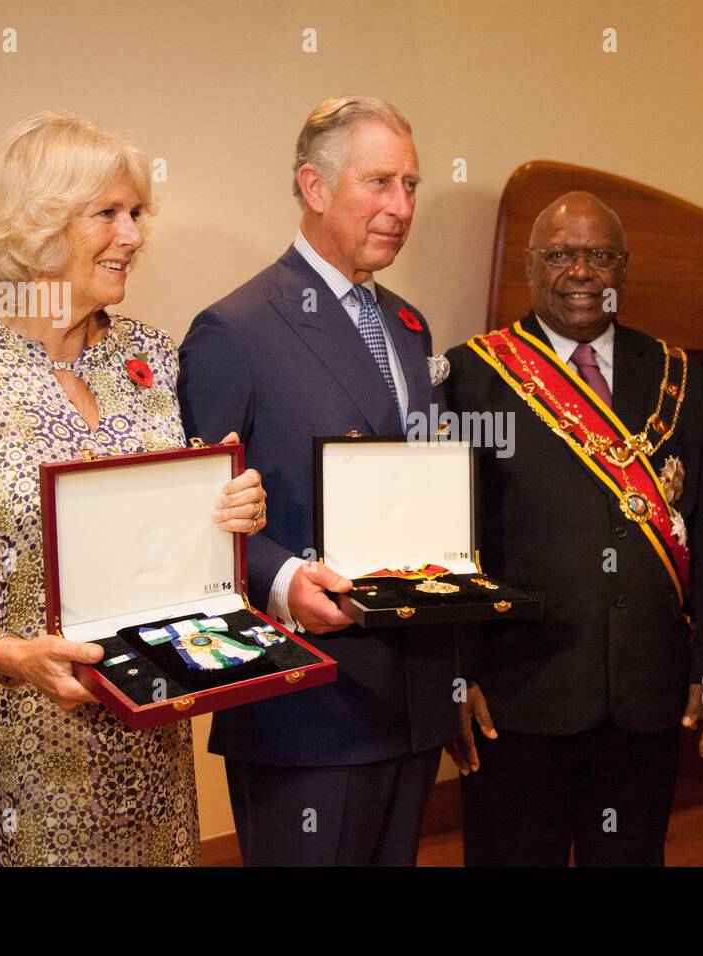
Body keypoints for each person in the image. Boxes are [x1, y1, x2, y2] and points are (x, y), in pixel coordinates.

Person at [0, 111, 269, 866]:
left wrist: (228, 515)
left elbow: (161, 535)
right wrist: (10, 655)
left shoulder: (149, 356)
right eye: (108, 214)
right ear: (34, 228)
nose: (135, 236)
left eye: (138, 213)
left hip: (141, 752)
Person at [178, 96, 455, 866]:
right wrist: (284, 580)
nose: (401, 207)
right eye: (380, 183)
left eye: (411, 185)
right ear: (315, 185)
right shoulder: (235, 330)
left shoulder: (408, 324)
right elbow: (199, 512)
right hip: (306, 702)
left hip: (410, 697)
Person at [442, 191, 703, 866]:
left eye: (599, 255)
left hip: (645, 696)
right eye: (561, 254)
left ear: (624, 268)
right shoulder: (473, 376)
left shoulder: (677, 377)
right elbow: (449, 548)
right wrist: (455, 677)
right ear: (530, 266)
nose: (581, 271)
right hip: (518, 699)